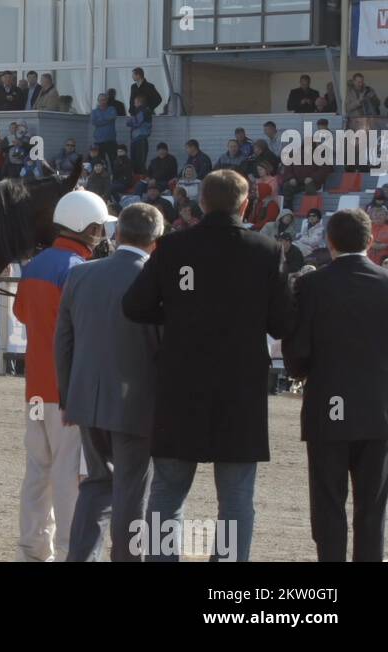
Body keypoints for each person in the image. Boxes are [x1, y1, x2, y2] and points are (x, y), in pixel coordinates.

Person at [122, 169, 291, 562]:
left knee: (167, 489)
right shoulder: (267, 251)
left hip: (180, 382)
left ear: (201, 203)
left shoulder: (173, 248)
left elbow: (135, 306)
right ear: (245, 204)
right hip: (240, 388)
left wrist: (178, 314)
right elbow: (283, 323)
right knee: (235, 498)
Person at [14, 190, 118, 562]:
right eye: (98, 228)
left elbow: (23, 315)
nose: (101, 235)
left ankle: (31, 550)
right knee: (69, 477)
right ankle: (70, 552)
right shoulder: (79, 270)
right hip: (67, 391)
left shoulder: (35, 265)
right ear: (86, 228)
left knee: (37, 474)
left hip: (36, 392)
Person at [56, 203, 164, 562]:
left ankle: (81, 558)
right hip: (137, 404)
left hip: (86, 399)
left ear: (116, 234)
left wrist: (68, 397)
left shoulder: (81, 275)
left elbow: (64, 342)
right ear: (155, 241)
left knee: (96, 484)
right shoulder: (158, 280)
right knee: (132, 493)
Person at [283, 209, 388, 561]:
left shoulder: (312, 285)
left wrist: (301, 372)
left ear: (328, 241)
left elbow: (296, 351)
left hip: (328, 405)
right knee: (372, 508)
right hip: (379, 411)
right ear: (370, 240)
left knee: (328, 503)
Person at [91, 94, 118, 168]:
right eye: (101, 100)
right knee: (101, 162)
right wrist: (107, 119)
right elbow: (94, 122)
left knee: (114, 161)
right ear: (98, 101)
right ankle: (103, 178)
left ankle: (114, 178)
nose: (103, 102)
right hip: (99, 141)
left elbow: (112, 117)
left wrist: (100, 120)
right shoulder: (94, 111)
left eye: (104, 100)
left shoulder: (112, 109)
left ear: (107, 100)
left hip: (111, 140)